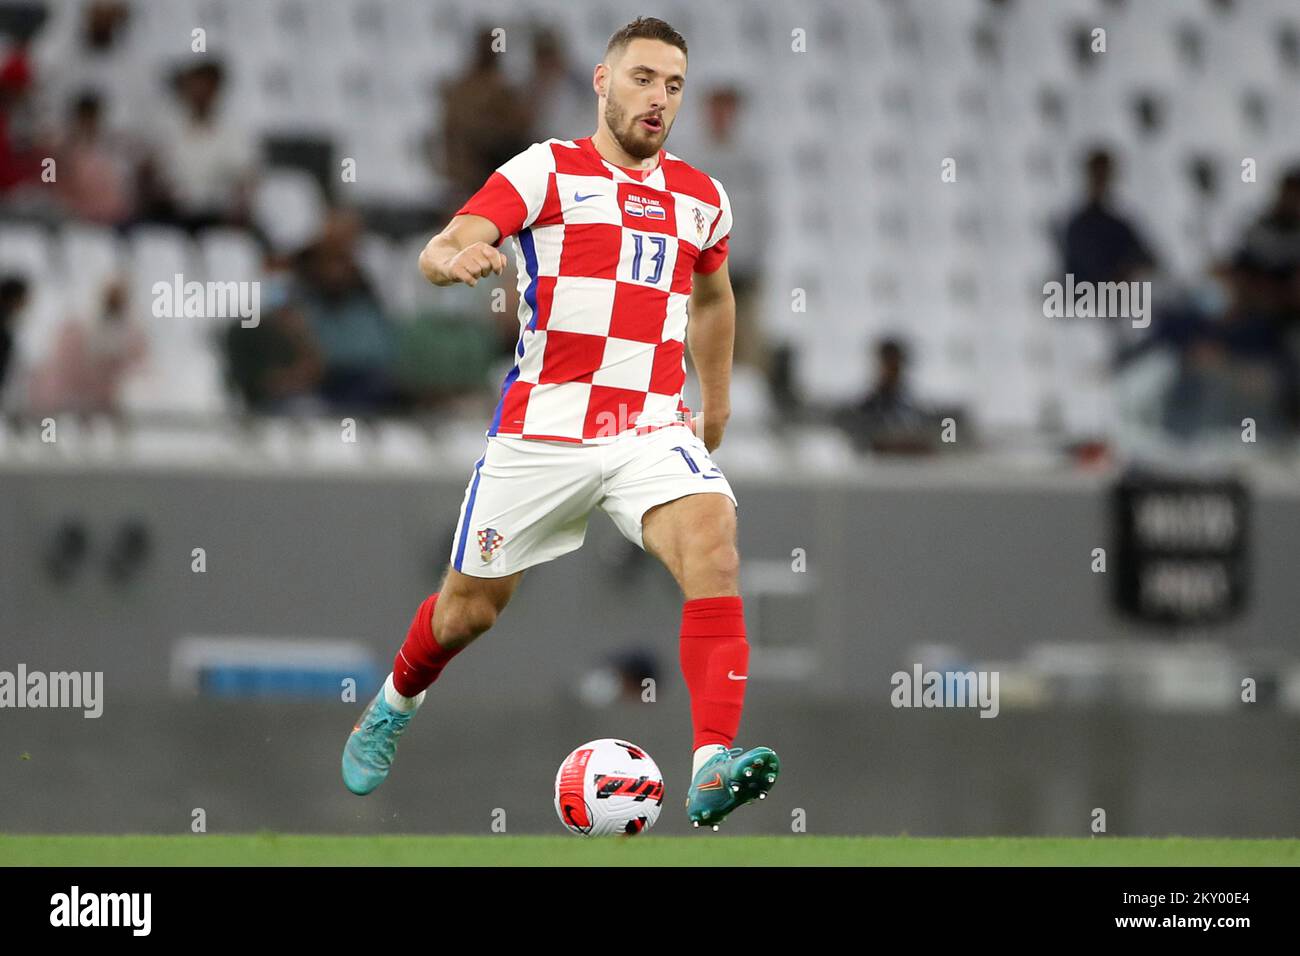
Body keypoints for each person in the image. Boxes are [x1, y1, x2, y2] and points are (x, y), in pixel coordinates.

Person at [341, 17, 780, 830]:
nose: (659, 99)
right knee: (467, 611)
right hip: (544, 428)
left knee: (713, 544)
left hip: (649, 426)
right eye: (644, 78)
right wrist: (455, 262)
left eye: (674, 85)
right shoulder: (547, 170)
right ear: (603, 82)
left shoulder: (702, 198)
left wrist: (713, 401)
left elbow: (713, 298)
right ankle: (396, 701)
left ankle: (712, 761)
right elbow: (447, 241)